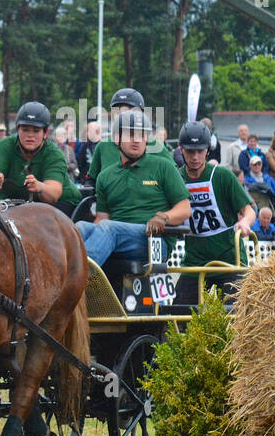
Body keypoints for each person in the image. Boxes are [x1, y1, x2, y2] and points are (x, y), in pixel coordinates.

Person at [76, 109, 190, 266]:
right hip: (114, 237)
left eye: (141, 135)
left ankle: (79, 281)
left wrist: (164, 217)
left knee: (109, 229)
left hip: (153, 241)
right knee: (79, 228)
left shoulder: (163, 166)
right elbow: (102, 219)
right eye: (131, 134)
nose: (137, 140)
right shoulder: (105, 176)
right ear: (116, 139)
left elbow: (185, 209)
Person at [175, 120, 254, 305]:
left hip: (229, 258)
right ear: (181, 151)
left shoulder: (222, 176)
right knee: (178, 311)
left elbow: (248, 210)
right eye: (190, 151)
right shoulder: (176, 177)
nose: (195, 157)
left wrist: (245, 223)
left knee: (234, 313)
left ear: (207, 151)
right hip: (195, 259)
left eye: (200, 151)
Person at [0, 102, 82, 215]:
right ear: (17, 129)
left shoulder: (54, 153)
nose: (30, 135)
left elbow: (53, 194)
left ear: (45, 133)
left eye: (36, 130)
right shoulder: (3, 146)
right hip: (16, 204)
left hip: (62, 204)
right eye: (25, 130)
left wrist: (39, 187)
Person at [86, 88, 172, 183]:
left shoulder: (156, 146)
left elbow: (174, 177)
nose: (122, 116)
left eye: (128, 112)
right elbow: (91, 181)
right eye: (117, 112)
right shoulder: (103, 146)